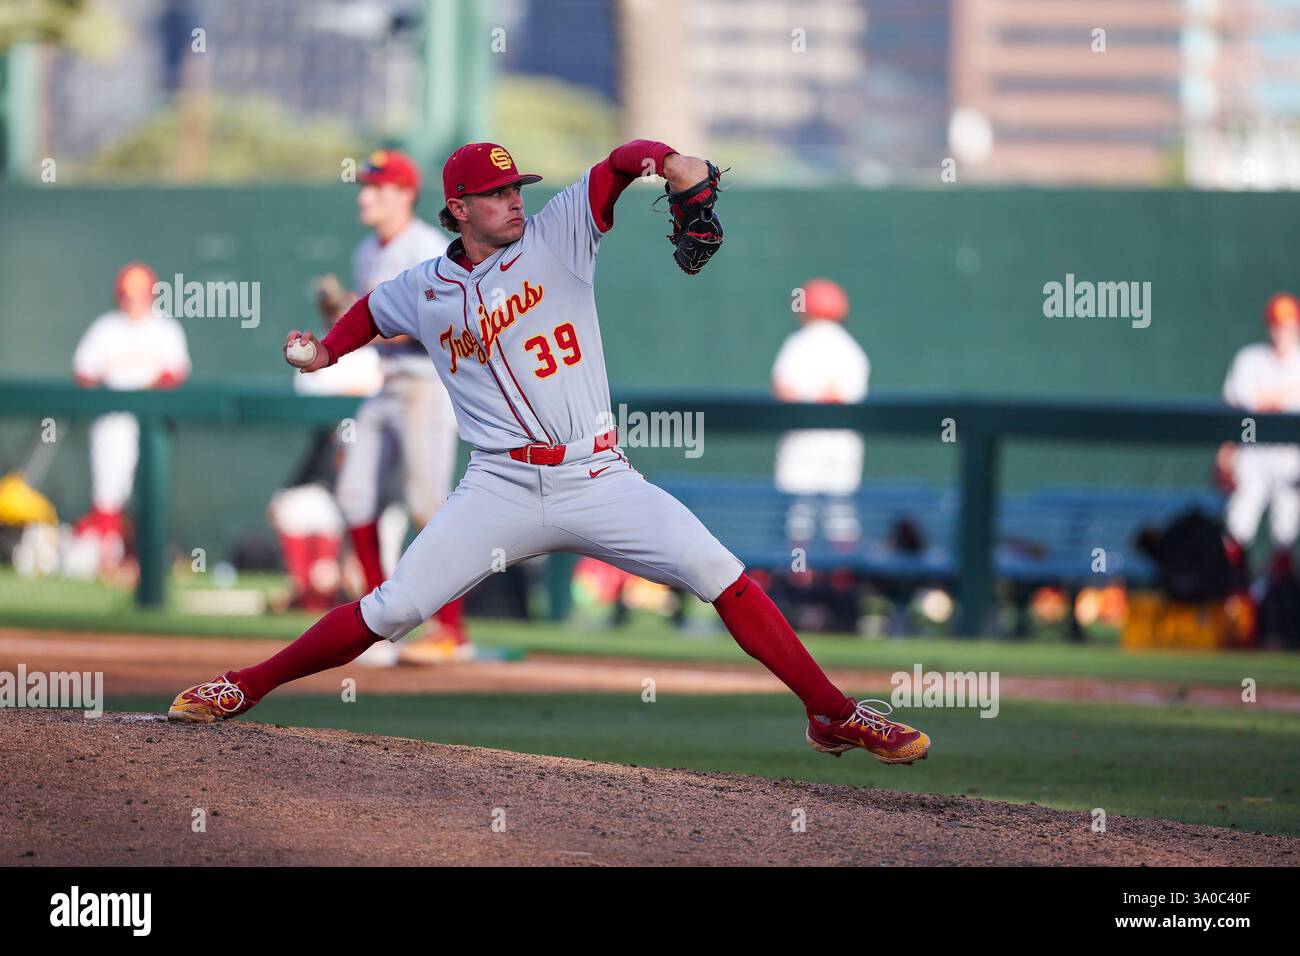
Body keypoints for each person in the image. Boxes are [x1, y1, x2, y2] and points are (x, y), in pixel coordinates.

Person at [167, 140, 931, 766]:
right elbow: (373, 309)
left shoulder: (560, 233)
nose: (514, 200)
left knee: (719, 573)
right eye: (497, 193)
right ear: (458, 208)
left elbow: (618, 162)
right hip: (499, 486)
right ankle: (244, 685)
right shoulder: (426, 286)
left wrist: (671, 163)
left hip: (597, 474)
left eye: (516, 187)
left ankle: (831, 713)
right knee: (393, 607)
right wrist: (328, 350)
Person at [334, 150, 470, 663]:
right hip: (385, 385)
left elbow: (444, 327)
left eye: (377, 187)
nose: (365, 195)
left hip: (428, 386)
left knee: (427, 507)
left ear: (404, 194)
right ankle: (379, 625)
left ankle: (452, 631)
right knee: (353, 495)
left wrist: (370, 327)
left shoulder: (429, 247)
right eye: (365, 186)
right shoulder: (367, 250)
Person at [72, 262, 190, 574]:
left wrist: (144, 386)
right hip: (112, 420)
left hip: (152, 424)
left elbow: (174, 373)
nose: (132, 302)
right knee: (109, 490)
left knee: (148, 492)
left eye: (138, 296)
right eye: (127, 296)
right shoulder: (106, 327)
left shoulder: (165, 328)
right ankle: (108, 559)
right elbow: (83, 372)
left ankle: (141, 561)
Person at [771, 277, 870, 545]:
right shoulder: (851, 348)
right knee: (841, 517)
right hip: (842, 443)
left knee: (798, 518)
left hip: (803, 441)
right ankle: (843, 583)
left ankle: (799, 581)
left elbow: (784, 391)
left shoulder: (798, 343)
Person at [1221, 292, 1300, 578]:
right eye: (1277, 325)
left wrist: (1267, 400)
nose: (1282, 332)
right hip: (1252, 447)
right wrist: (1227, 453)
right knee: (1238, 529)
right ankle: (1234, 594)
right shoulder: (1250, 359)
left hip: (1291, 455)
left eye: (1288, 325)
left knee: (1285, 533)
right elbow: (1243, 404)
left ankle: (1279, 602)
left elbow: (1261, 401)